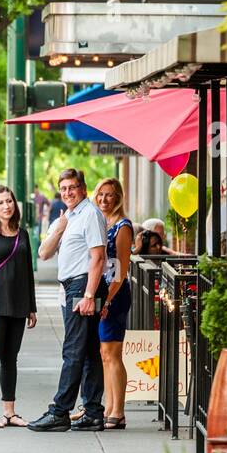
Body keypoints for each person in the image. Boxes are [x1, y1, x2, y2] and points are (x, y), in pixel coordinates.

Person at [28, 167, 108, 432]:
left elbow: (98, 258)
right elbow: (43, 253)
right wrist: (59, 229)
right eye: (63, 189)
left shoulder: (90, 215)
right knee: (86, 351)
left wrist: (88, 295)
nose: (68, 192)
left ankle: (60, 411)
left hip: (83, 286)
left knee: (73, 350)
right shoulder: (67, 217)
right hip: (71, 288)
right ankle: (94, 412)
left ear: (83, 188)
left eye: (72, 187)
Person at [0, 185, 37, 427]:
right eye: (1, 203)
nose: (6, 206)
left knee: (11, 359)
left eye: (9, 201)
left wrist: (31, 307)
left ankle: (10, 412)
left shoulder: (22, 234)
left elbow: (27, 271)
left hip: (19, 305)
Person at [93, 177, 134, 430]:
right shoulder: (100, 222)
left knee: (113, 353)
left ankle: (118, 411)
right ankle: (108, 406)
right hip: (101, 294)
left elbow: (120, 269)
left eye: (109, 195)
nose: (104, 199)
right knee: (103, 354)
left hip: (115, 294)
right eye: (100, 194)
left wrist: (108, 299)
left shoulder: (123, 227)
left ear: (118, 197)